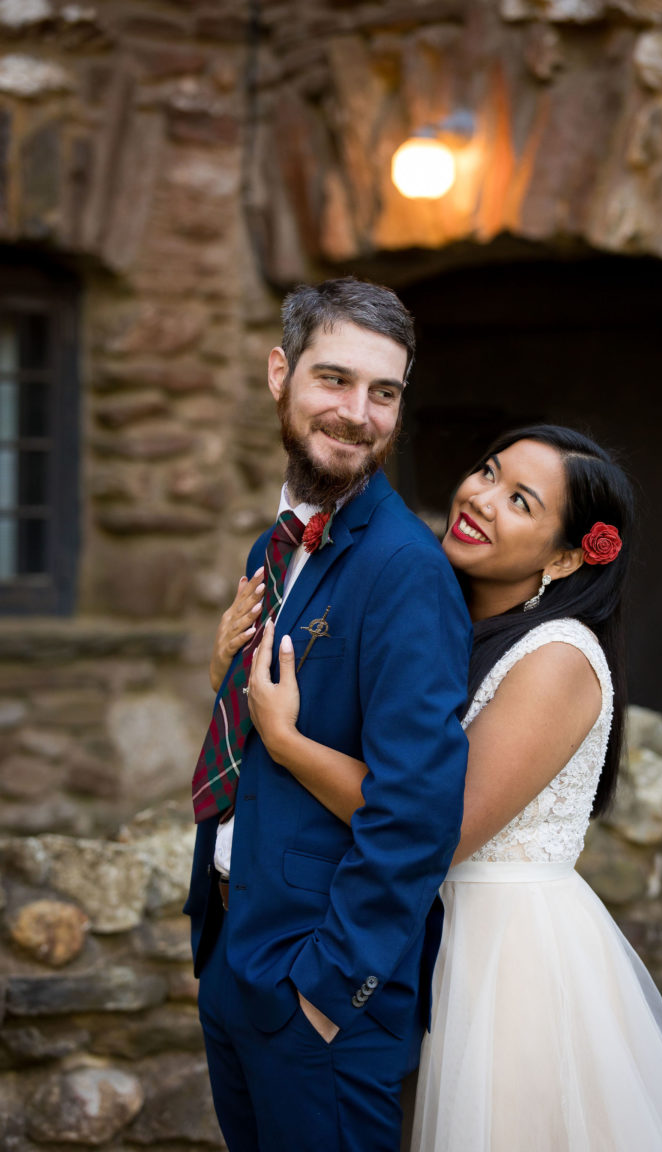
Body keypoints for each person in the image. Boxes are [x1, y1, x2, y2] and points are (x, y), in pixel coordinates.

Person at [249, 424, 662, 1151]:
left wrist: (288, 743)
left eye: (521, 500)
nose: (482, 498)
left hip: (507, 958)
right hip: (410, 926)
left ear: (565, 557)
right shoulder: (445, 622)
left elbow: (442, 824)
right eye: (489, 472)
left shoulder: (559, 660)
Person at [184, 277, 472, 1152]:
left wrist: (325, 993)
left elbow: (418, 815)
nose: (358, 413)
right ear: (280, 373)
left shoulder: (406, 570)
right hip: (235, 948)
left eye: (383, 393)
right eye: (334, 381)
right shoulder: (273, 547)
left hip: (320, 987)